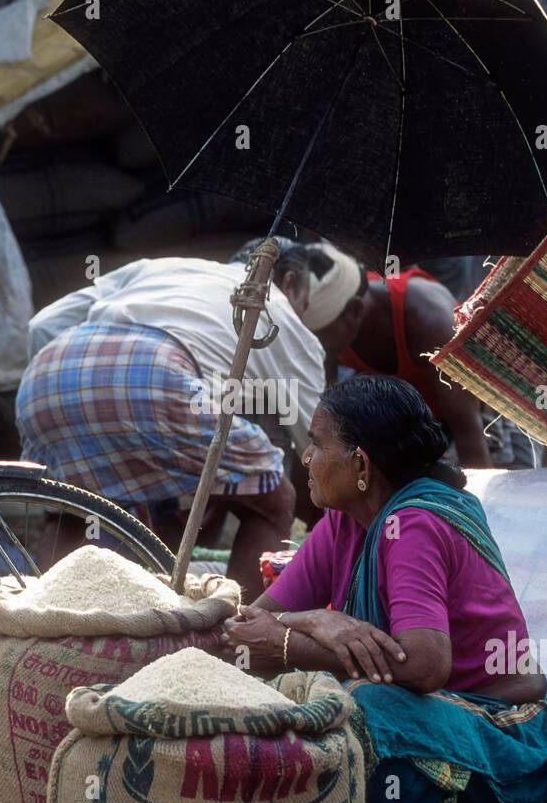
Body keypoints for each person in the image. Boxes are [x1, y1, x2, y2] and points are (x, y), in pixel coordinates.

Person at [221, 374, 547, 803]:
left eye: (317, 442)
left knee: (370, 703)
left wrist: (300, 638)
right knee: (303, 695)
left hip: (520, 763)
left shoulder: (411, 523)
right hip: (450, 742)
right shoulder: (345, 521)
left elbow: (424, 665)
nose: (305, 457)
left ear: (360, 462)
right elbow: (252, 631)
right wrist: (318, 622)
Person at [17, 249, 324, 598]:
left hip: (48, 372)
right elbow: (321, 446)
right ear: (290, 282)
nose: (304, 316)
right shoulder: (275, 307)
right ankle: (238, 640)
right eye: (307, 304)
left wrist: (68, 407)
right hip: (152, 372)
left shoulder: (163, 268)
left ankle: (43, 626)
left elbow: (41, 325)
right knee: (275, 497)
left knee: (77, 508)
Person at [300, 243, 493, 468]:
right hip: (409, 425)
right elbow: (323, 422)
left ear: (353, 311)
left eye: (319, 337)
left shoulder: (430, 321)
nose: (316, 346)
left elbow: (470, 436)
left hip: (482, 414)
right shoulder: (329, 328)